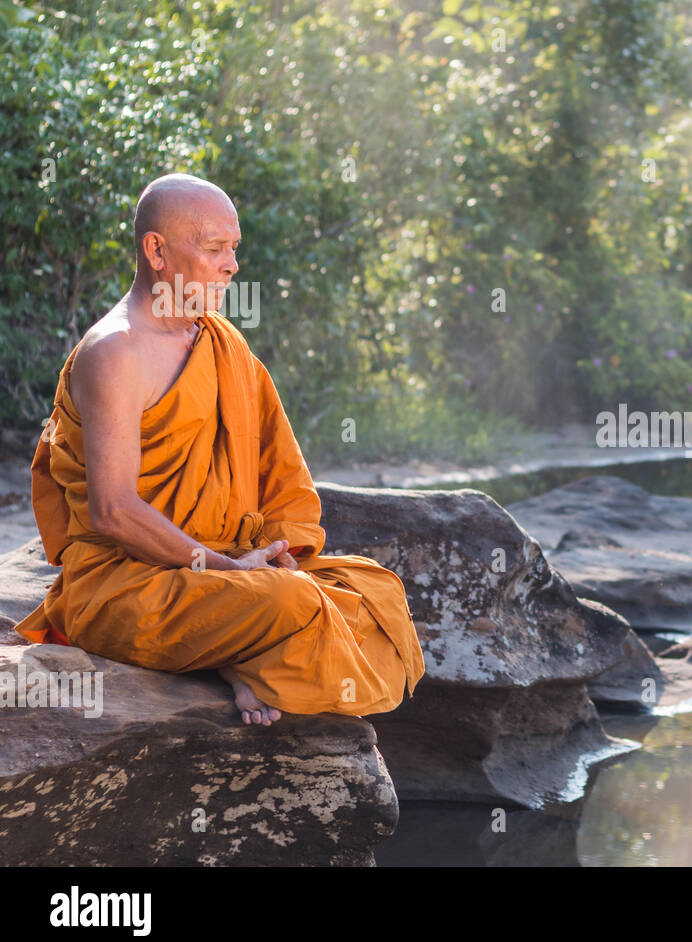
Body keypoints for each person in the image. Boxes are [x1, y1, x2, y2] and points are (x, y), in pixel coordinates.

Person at [16, 173, 425, 725]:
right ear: (156, 250)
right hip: (127, 580)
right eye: (214, 249)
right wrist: (228, 569)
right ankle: (247, 660)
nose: (231, 265)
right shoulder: (115, 353)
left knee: (376, 590)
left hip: (222, 565)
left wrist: (273, 553)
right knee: (293, 604)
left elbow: (279, 476)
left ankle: (235, 653)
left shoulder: (221, 342)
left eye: (234, 249)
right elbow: (113, 512)